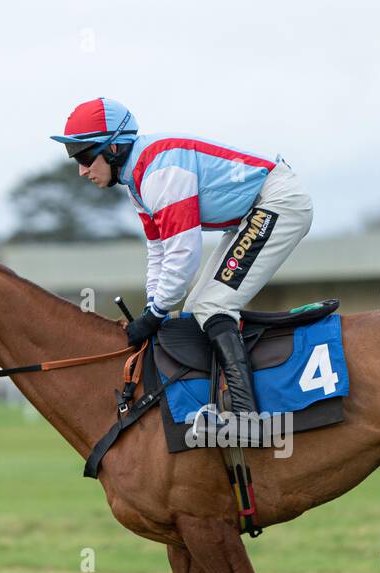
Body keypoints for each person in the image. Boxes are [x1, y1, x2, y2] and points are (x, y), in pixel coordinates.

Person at [51, 97, 313, 436]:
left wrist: (155, 314)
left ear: (115, 147)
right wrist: (151, 306)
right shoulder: (138, 181)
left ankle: (248, 419)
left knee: (213, 305)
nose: (82, 170)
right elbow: (158, 251)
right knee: (192, 313)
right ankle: (217, 408)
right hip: (253, 212)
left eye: (86, 156)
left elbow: (184, 256)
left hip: (279, 202)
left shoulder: (161, 173)